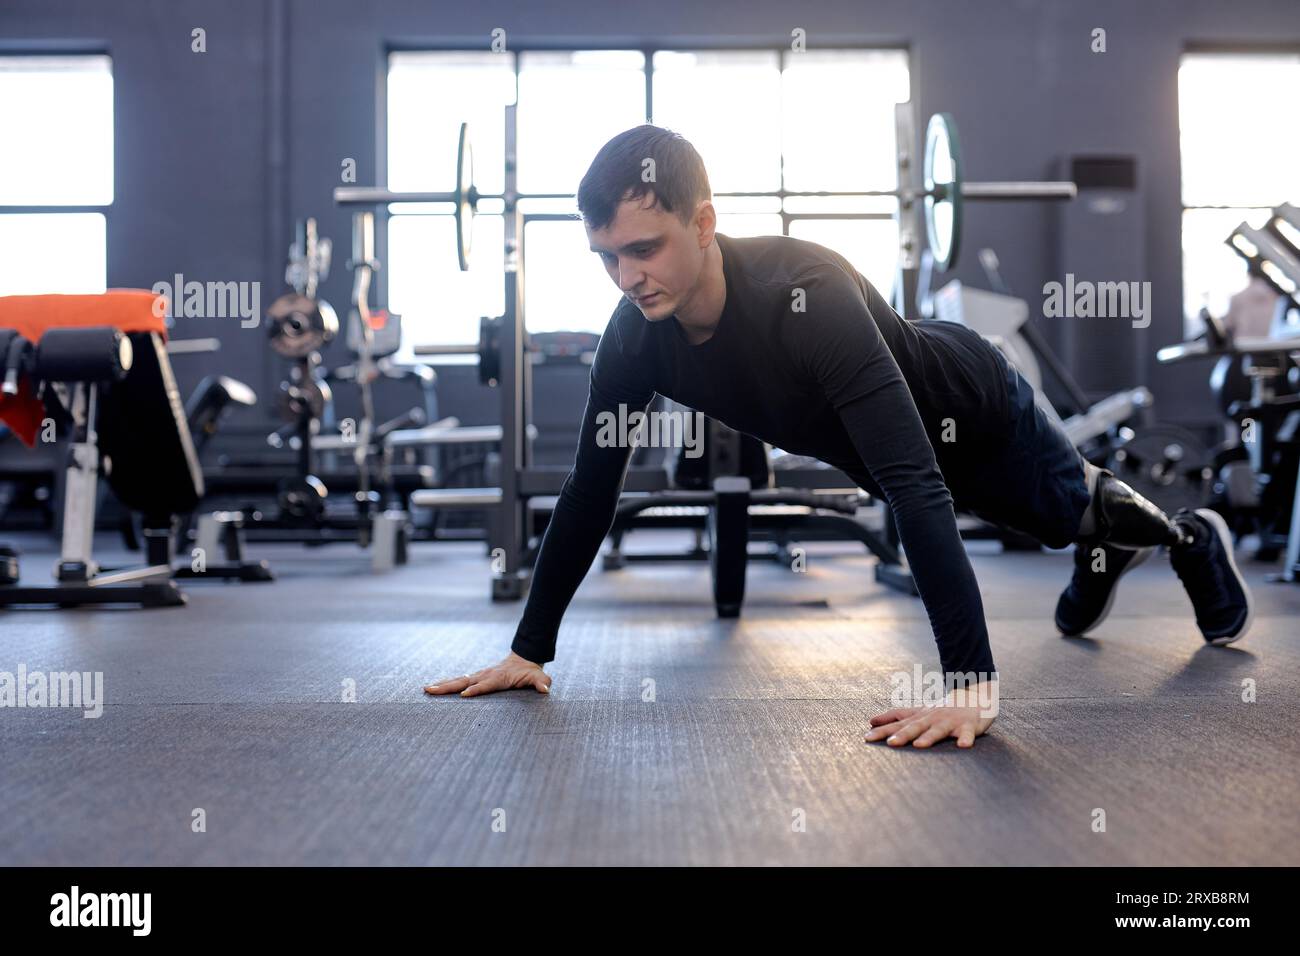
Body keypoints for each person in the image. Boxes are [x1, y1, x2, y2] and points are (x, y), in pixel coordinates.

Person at [426, 125, 1252, 749]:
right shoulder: (634, 337)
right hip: (899, 455)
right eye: (607, 258)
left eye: (645, 249)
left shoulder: (805, 292)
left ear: (704, 221)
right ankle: (1100, 548)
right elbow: (589, 489)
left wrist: (970, 687)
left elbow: (916, 484)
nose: (627, 276)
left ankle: (1187, 538)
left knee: (1070, 515)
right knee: (1053, 527)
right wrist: (530, 648)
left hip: (977, 406)